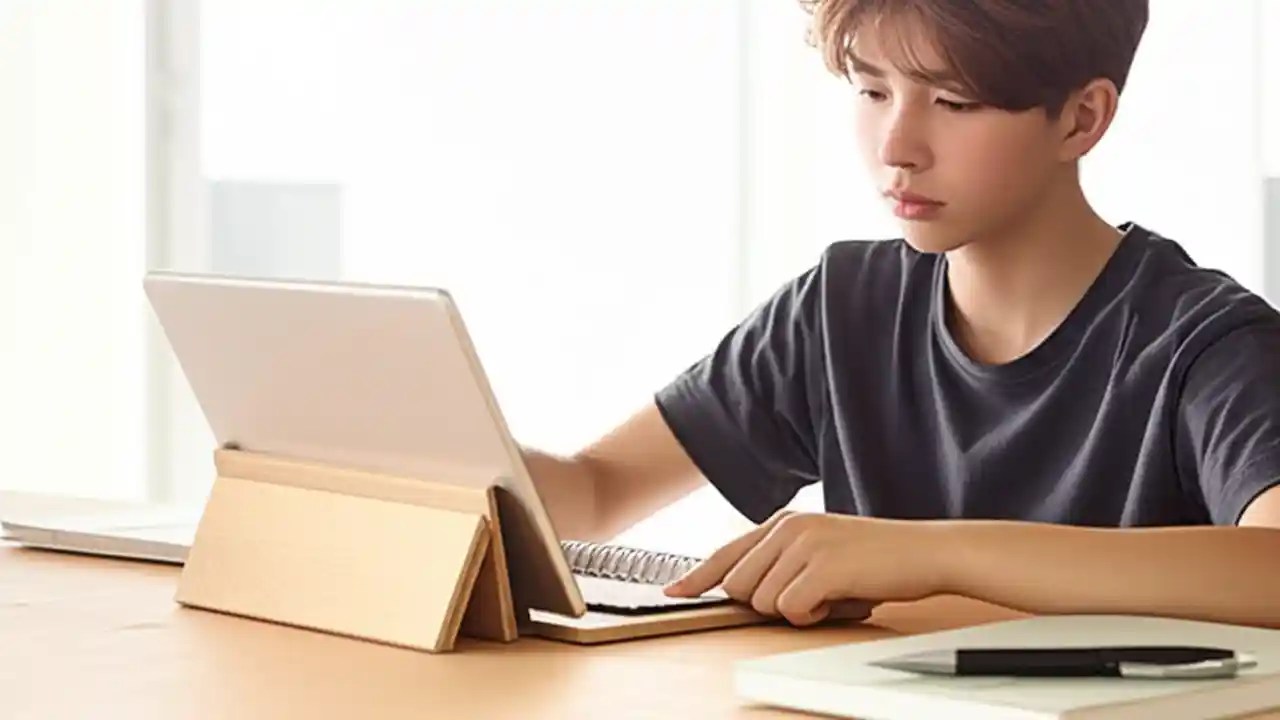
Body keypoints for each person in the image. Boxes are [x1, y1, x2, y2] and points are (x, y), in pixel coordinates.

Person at [523, 0, 1280, 629]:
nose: (898, 147)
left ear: (1082, 119)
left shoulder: (1205, 343)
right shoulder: (843, 308)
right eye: (872, 90)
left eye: (952, 102)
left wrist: (931, 555)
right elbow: (596, 491)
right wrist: (429, 447)